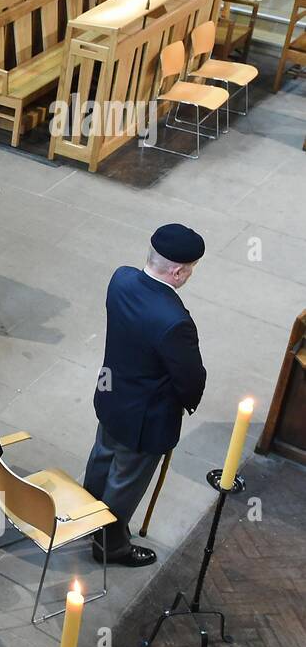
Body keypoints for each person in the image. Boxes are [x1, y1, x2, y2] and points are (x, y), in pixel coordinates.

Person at [84, 225, 207, 567]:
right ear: (178, 271)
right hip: (145, 416)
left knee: (102, 457)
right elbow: (190, 378)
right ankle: (110, 545)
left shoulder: (121, 279)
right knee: (126, 480)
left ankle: (85, 516)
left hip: (111, 393)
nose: (189, 275)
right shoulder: (174, 320)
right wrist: (185, 401)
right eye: (191, 269)